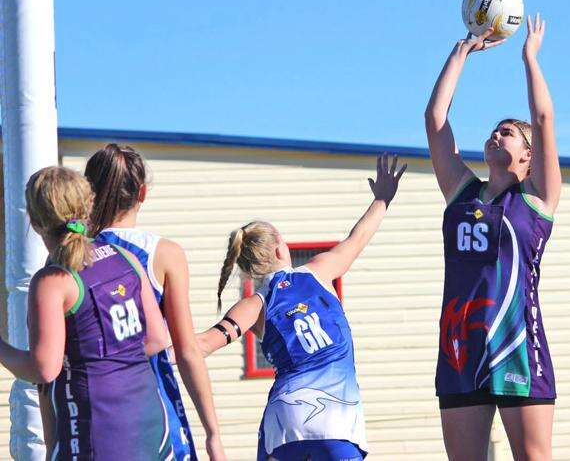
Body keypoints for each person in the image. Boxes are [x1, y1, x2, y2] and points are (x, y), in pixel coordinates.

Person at [197, 154, 406, 460]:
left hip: (286, 418)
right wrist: (382, 198)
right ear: (281, 246)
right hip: (337, 416)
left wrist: (147, 348)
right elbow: (358, 237)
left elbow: (202, 344)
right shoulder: (318, 271)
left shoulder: (254, 305)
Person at [424, 15, 562, 461]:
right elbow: (436, 119)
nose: (495, 134)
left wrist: (529, 58)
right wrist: (460, 52)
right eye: (493, 130)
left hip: (518, 344)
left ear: (527, 154)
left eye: (507, 132)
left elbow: (542, 117)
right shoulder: (462, 192)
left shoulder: (537, 198)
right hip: (461, 345)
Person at [0, 166, 173, 460]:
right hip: (151, 424)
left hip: (97, 432)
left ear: (34, 219)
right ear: (88, 205)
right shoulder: (125, 258)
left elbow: (43, 369)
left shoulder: (53, 281)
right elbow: (157, 338)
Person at [84, 143, 225, 460]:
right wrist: (213, 433)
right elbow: (187, 349)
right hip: (155, 409)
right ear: (142, 194)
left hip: (95, 415)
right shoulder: (163, 254)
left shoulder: (72, 256)